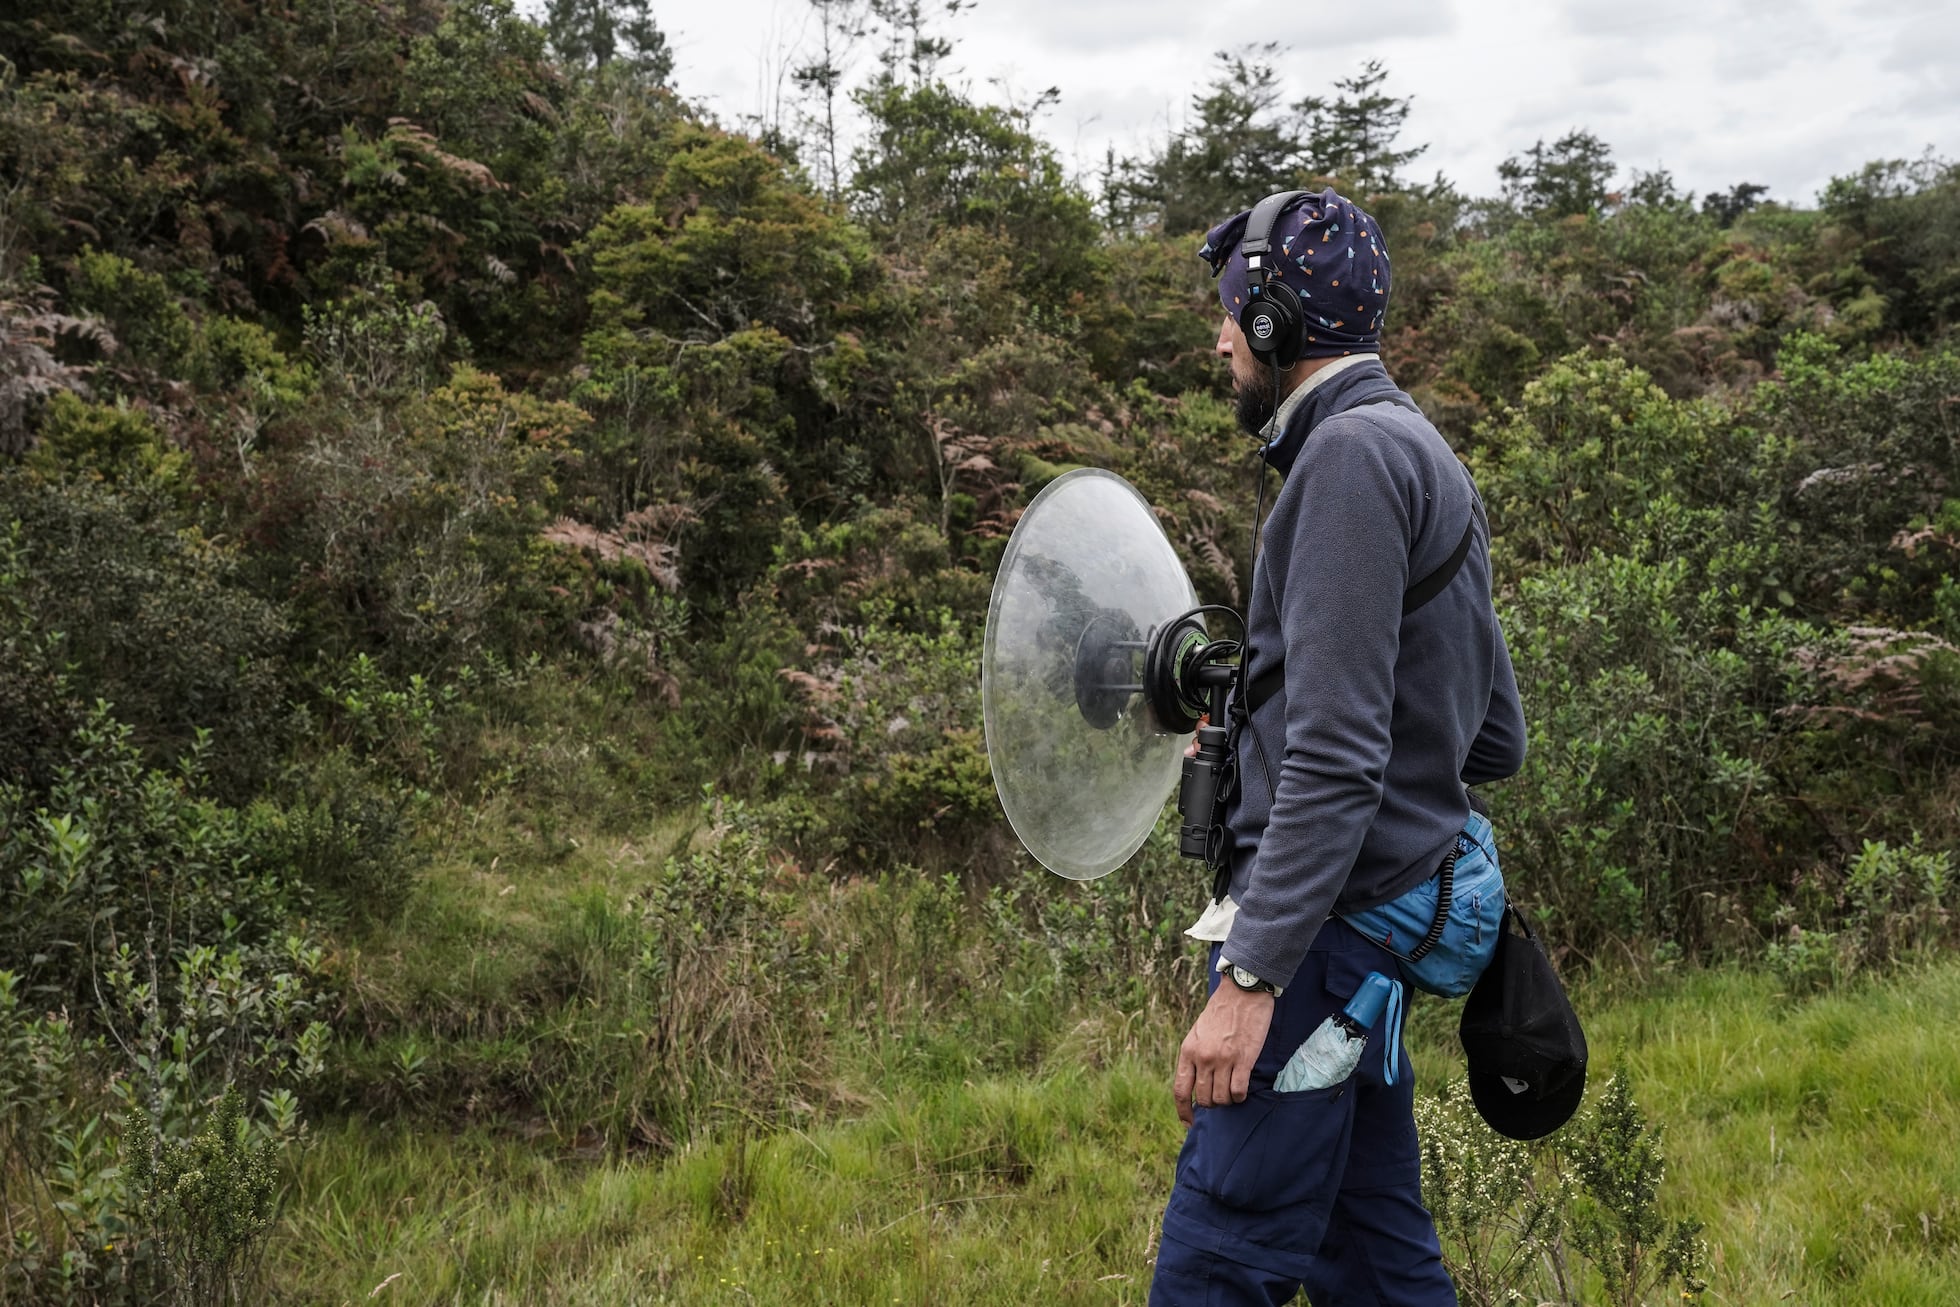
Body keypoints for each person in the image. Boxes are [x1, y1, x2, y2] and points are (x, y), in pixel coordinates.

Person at [1149, 188, 1527, 1305]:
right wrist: (1261, 730)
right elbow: (1493, 734)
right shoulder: (1417, 447)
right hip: (1370, 938)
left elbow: (1340, 758)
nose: (1217, 337)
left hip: (1321, 944)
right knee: (1368, 1250)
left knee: (1223, 1251)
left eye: (1230, 313)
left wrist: (1251, 974)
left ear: (1274, 323)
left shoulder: (1349, 463)